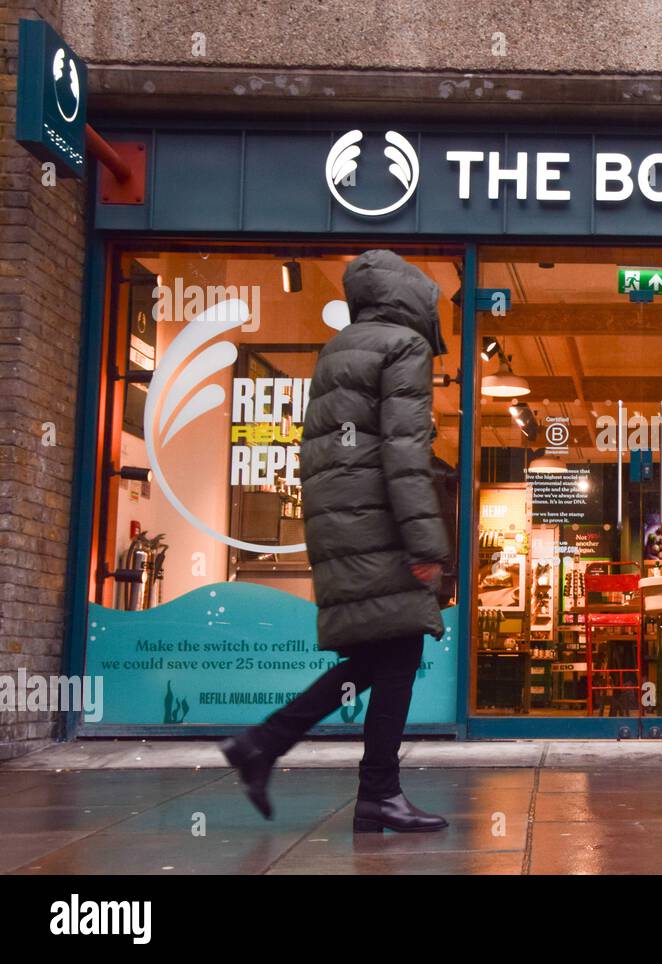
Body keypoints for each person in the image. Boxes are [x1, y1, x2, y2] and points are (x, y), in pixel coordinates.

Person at [221, 249, 454, 834]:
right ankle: (375, 792)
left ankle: (268, 745)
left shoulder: (339, 348)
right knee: (397, 655)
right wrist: (428, 546)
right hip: (380, 529)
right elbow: (405, 458)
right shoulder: (404, 348)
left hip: (344, 526)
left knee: (379, 657)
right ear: (412, 299)